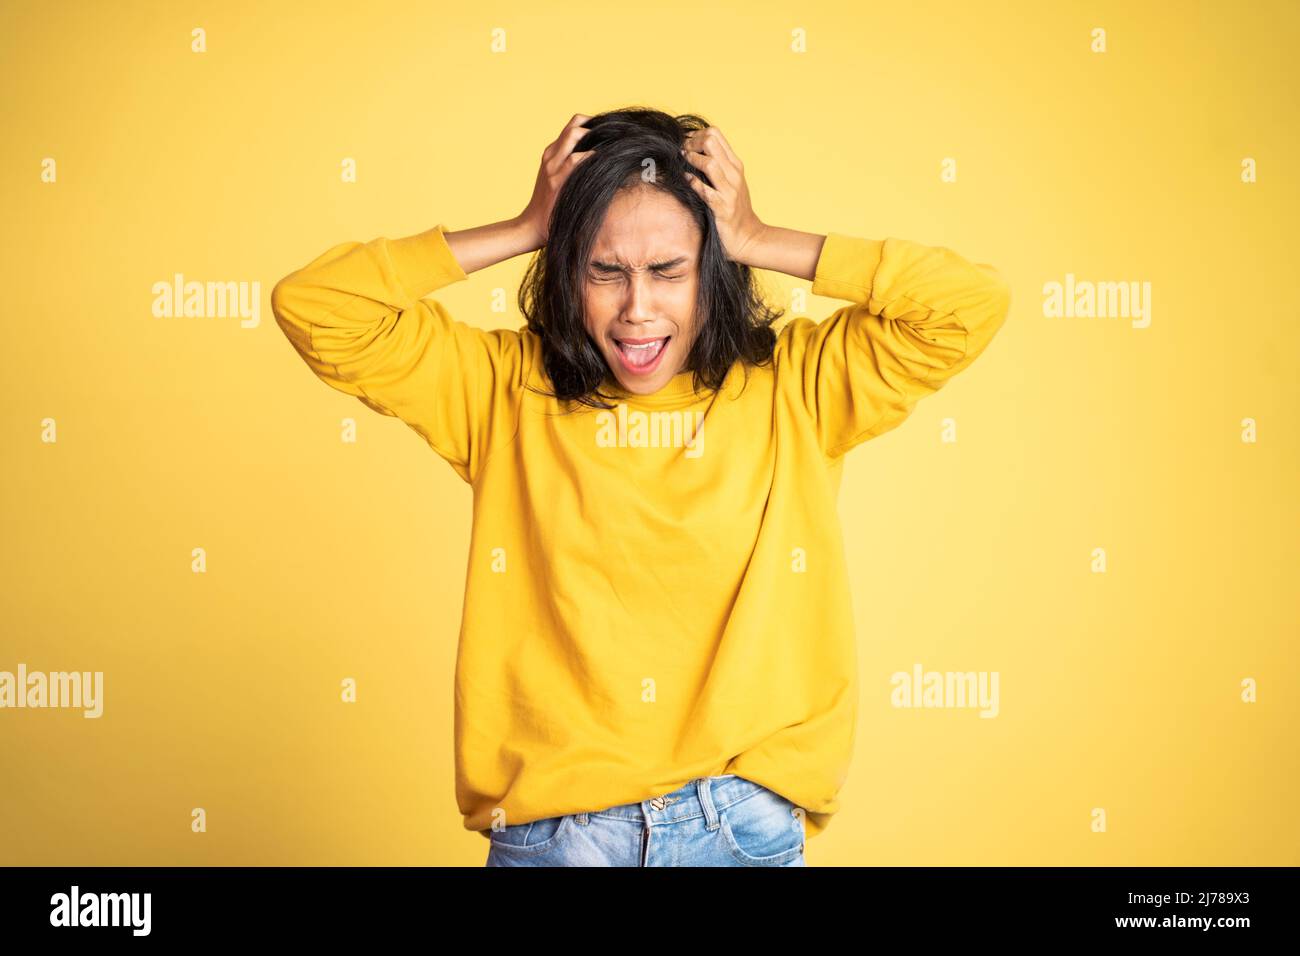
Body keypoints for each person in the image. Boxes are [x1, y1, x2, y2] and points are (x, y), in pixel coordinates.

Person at [271, 107, 1012, 866]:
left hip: (737, 825)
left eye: (667, 271)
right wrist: (527, 225)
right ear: (568, 270)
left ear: (713, 268)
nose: (637, 309)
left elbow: (967, 305)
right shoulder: (499, 390)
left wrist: (758, 237)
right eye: (605, 270)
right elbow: (318, 306)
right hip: (557, 836)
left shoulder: (797, 387)